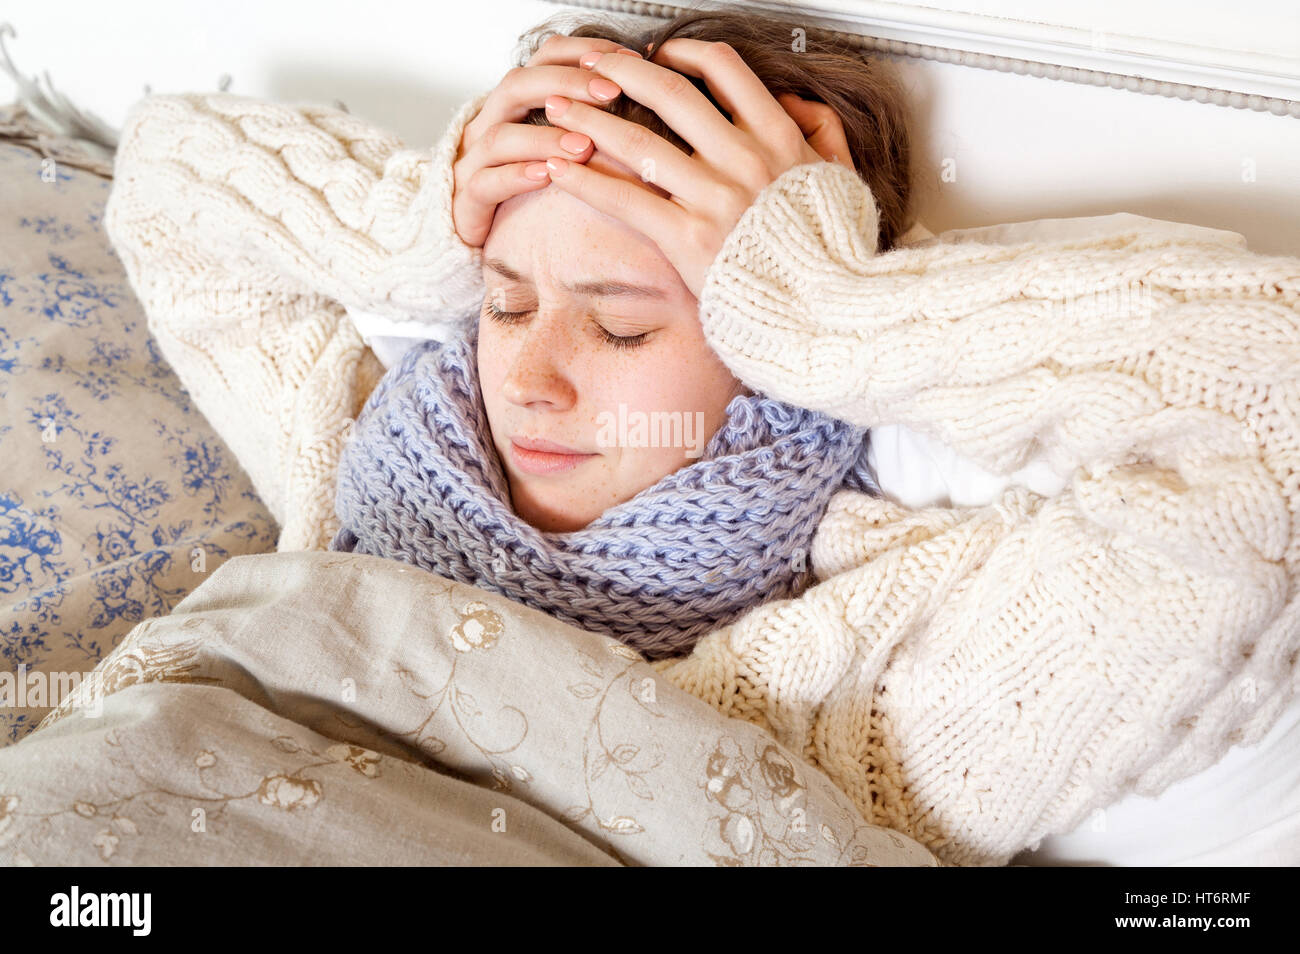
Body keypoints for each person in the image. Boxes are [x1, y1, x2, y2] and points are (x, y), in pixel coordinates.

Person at [103, 8, 1299, 866]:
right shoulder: (363, 462)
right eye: (505, 300)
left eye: (619, 328)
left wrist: (836, 307)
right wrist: (408, 227)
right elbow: (164, 177)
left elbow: (1270, 425)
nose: (527, 377)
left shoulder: (867, 671)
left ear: (773, 350)